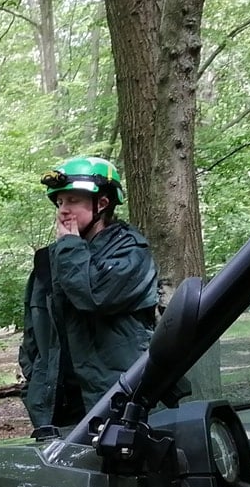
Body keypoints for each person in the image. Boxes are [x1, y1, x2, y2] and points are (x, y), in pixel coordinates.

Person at [18, 155, 159, 433]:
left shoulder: (130, 252)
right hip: (59, 413)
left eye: (72, 201)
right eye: (59, 202)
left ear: (102, 203)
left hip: (118, 404)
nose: (62, 210)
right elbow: (33, 335)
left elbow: (93, 296)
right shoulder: (48, 261)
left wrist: (69, 245)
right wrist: (36, 384)